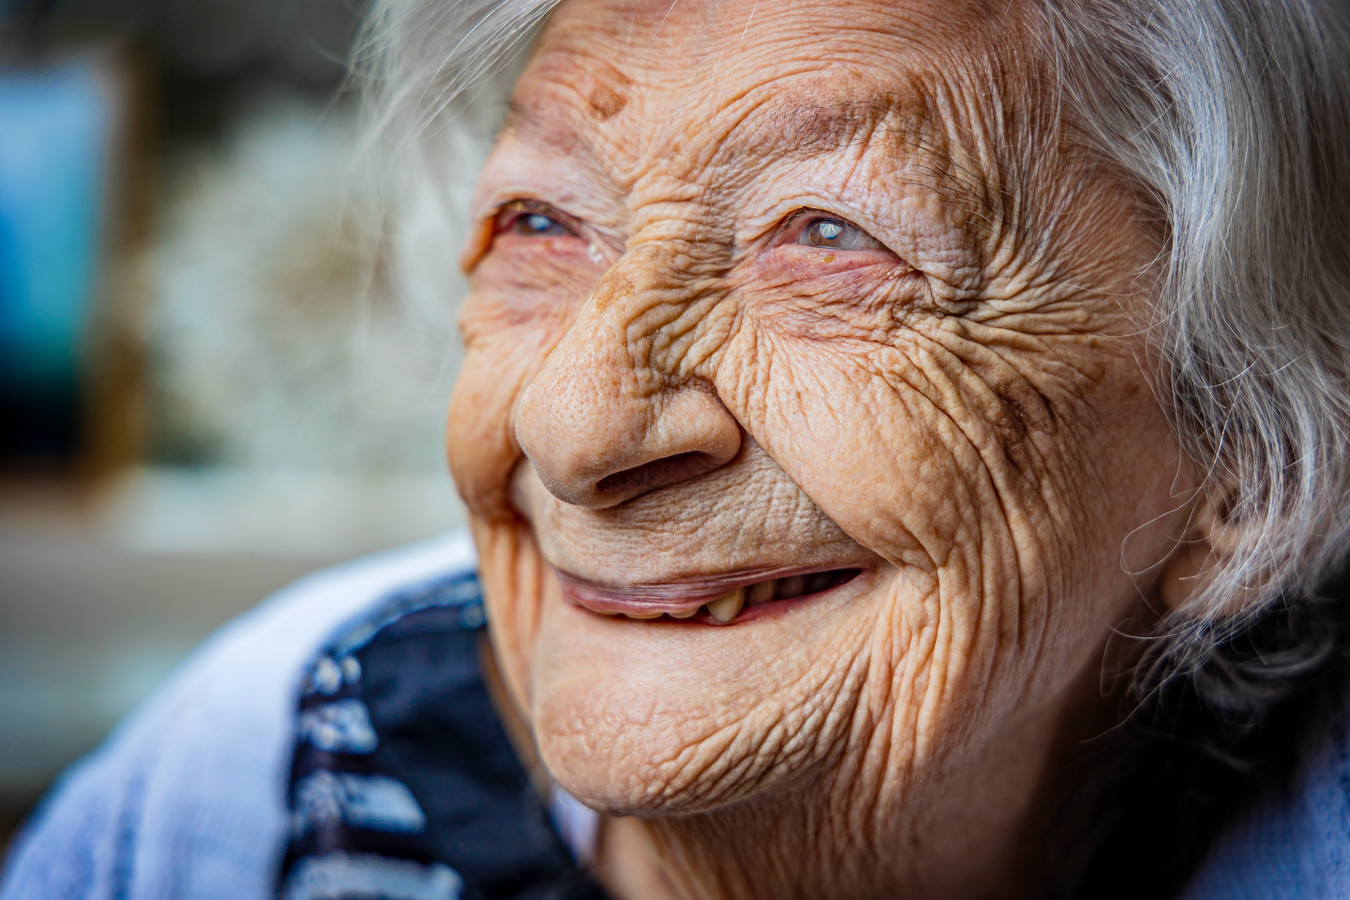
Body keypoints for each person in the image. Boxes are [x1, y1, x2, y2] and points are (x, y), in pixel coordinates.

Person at [5, 0, 1350, 897]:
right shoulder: (259, 774)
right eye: (541, 224)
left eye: (827, 238)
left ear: (1243, 440)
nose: (574, 429)